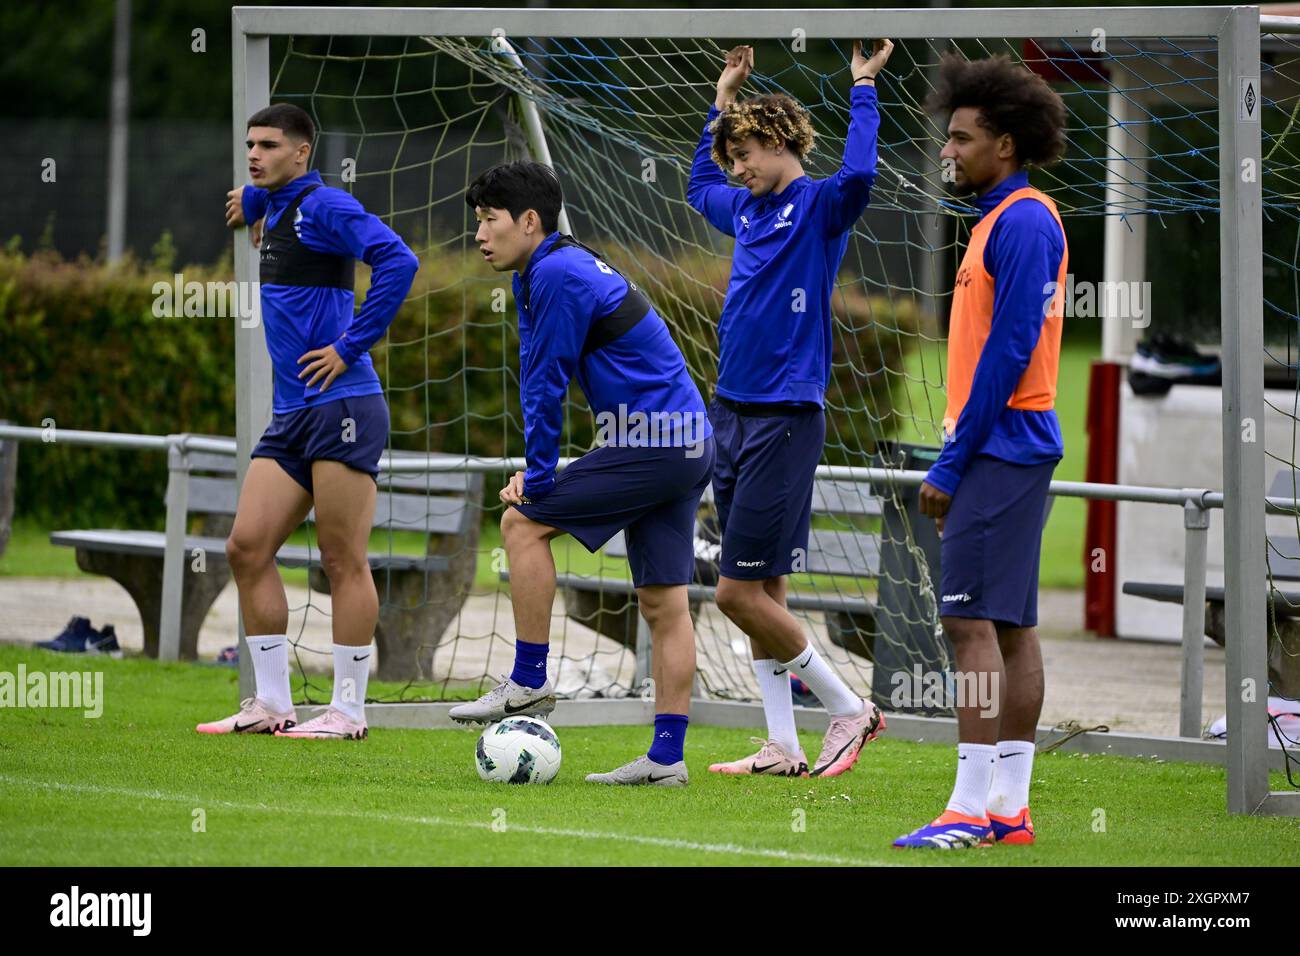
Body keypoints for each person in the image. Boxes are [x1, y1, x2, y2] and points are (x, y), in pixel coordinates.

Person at [450, 161, 715, 787]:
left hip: (652, 444)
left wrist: (538, 478)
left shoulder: (559, 274)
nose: (481, 234)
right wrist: (539, 470)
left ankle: (529, 682)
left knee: (521, 524)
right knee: (663, 603)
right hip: (684, 443)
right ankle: (667, 760)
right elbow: (539, 368)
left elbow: (544, 386)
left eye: (490, 220)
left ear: (530, 221)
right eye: (479, 222)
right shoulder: (549, 269)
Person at [686, 40, 892, 778]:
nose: (736, 169)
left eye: (744, 153)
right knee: (763, 591)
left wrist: (862, 88)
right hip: (732, 414)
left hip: (783, 417)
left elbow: (862, 172)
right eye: (731, 158)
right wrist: (721, 97)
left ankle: (848, 707)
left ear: (778, 142)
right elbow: (694, 183)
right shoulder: (743, 208)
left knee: (736, 592)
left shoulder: (819, 207)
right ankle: (783, 744)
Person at [197, 103, 418, 740]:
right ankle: (270, 704)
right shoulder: (279, 203)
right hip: (291, 413)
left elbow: (399, 260)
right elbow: (263, 200)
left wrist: (350, 345)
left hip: (343, 406)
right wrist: (253, 203)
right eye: (249, 145)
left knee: (341, 557)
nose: (254, 154)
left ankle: (348, 712)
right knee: (246, 548)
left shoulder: (326, 206)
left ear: (302, 152)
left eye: (268, 145)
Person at [894, 54, 1068, 848]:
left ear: (1004, 142)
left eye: (962, 138)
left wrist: (953, 461)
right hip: (1007, 448)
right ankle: (1007, 809)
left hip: (999, 449)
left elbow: (1010, 350)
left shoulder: (1025, 219)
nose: (948, 151)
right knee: (1006, 628)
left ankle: (967, 809)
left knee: (967, 626)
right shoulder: (1000, 220)